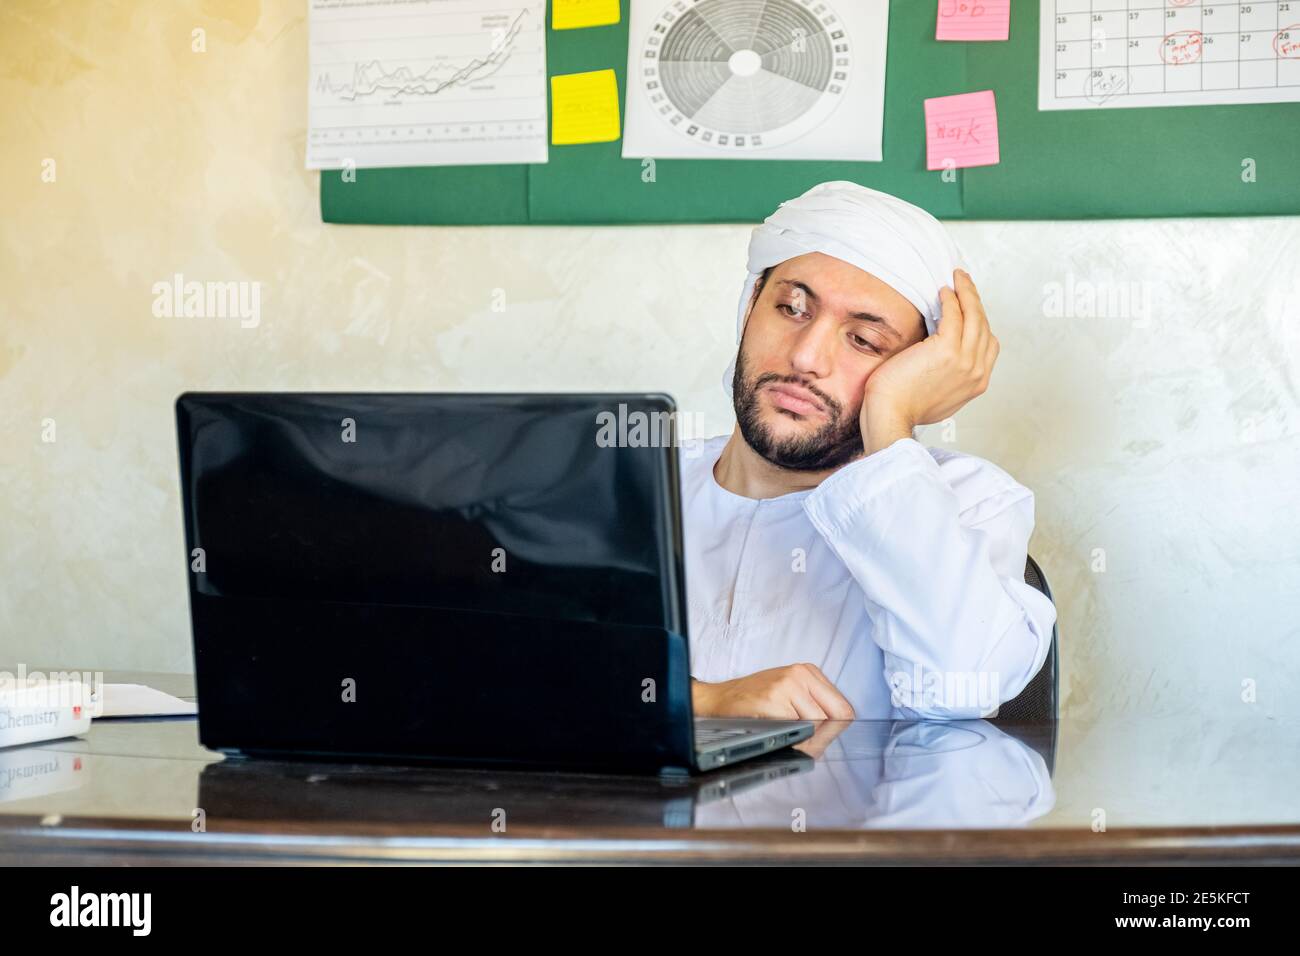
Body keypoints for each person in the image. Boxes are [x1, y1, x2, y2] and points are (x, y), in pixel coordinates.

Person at [685, 181, 1056, 721]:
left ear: (916, 370)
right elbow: (528, 680)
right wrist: (700, 702)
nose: (806, 357)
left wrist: (888, 417)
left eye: (863, 341)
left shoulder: (970, 505)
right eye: (791, 308)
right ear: (748, 310)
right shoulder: (622, 488)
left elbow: (957, 692)